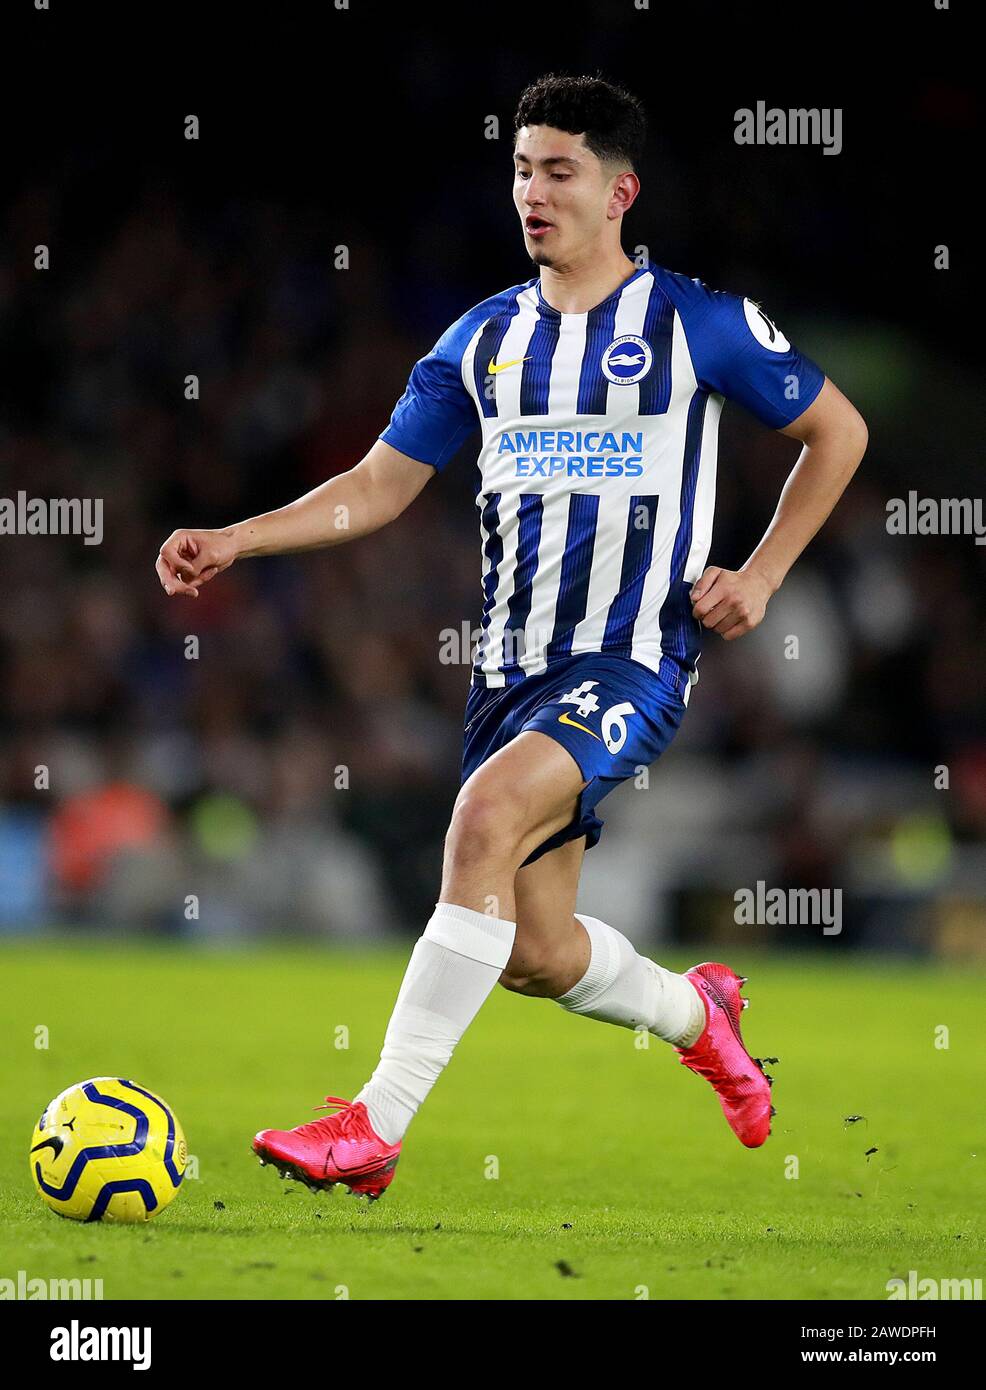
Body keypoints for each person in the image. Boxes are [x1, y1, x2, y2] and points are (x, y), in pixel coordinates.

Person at [156, 73, 868, 1200]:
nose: (532, 193)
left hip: (630, 661)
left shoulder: (697, 325)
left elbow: (836, 430)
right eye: (521, 169)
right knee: (535, 951)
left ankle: (372, 1127)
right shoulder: (483, 338)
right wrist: (239, 538)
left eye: (559, 171)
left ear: (619, 189)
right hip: (507, 678)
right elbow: (378, 484)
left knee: (480, 820)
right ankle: (700, 1012)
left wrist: (765, 572)